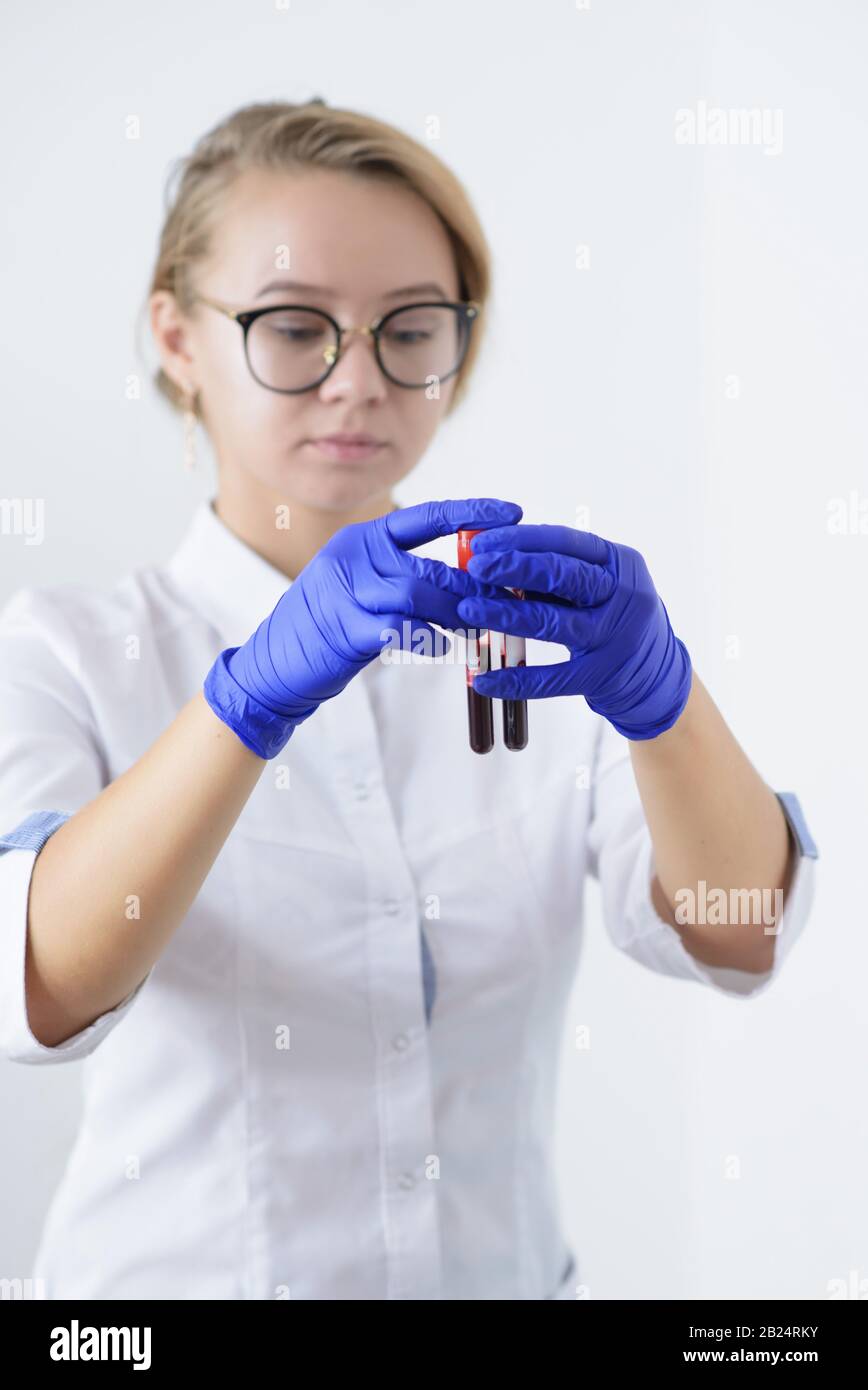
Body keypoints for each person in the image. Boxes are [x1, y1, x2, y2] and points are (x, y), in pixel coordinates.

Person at [0, 99, 818, 1301]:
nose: (359, 382)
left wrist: (662, 697)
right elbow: (38, 986)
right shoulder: (71, 648)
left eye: (409, 329)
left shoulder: (531, 639)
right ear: (178, 339)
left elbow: (737, 925)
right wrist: (244, 704)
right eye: (294, 328)